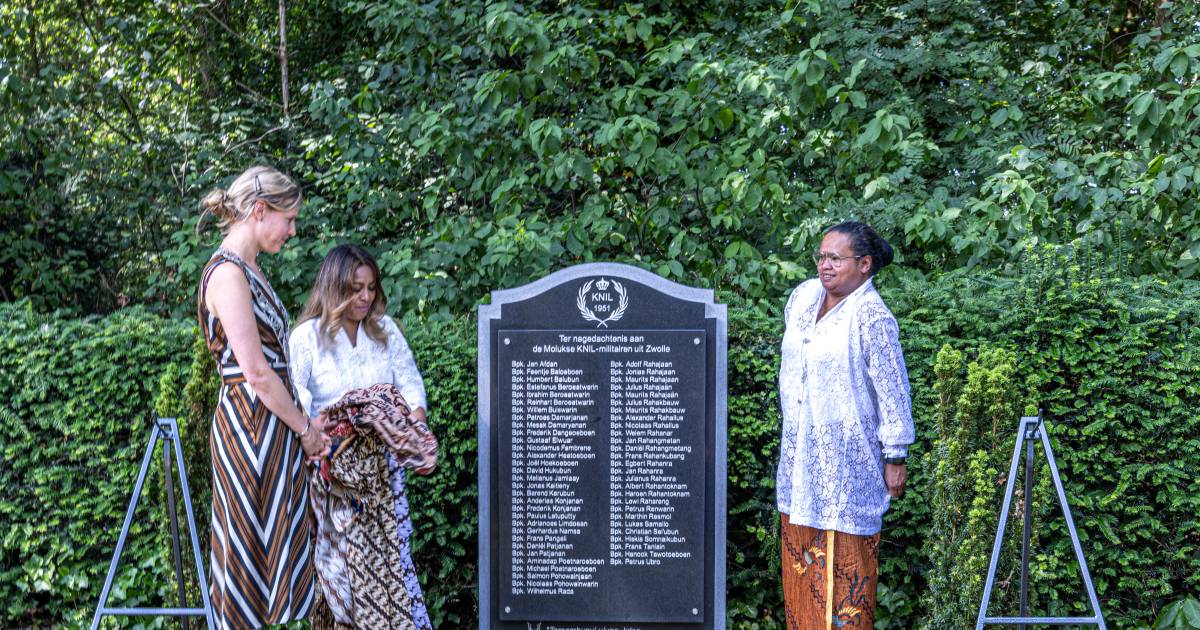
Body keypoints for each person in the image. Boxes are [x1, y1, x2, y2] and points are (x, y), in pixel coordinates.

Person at [196, 165, 330, 628]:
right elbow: (255, 371)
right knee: (247, 560)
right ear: (259, 210)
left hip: (270, 428)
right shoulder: (227, 275)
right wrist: (306, 430)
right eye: (288, 219)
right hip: (250, 429)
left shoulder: (249, 269)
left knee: (272, 557)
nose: (292, 231)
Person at [776, 221, 915, 630]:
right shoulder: (803, 299)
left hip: (848, 465)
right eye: (822, 256)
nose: (825, 265)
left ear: (865, 265)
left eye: (836, 258)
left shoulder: (872, 316)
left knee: (848, 571)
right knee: (800, 566)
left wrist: (896, 454)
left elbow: (892, 389)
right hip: (799, 459)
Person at [288, 244, 435, 630]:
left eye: (371, 287)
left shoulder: (385, 331)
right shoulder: (307, 337)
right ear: (334, 288)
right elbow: (296, 401)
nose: (365, 297)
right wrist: (324, 429)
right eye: (356, 288)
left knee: (391, 572)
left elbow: (411, 389)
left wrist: (409, 430)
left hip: (384, 477)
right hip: (333, 479)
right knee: (341, 579)